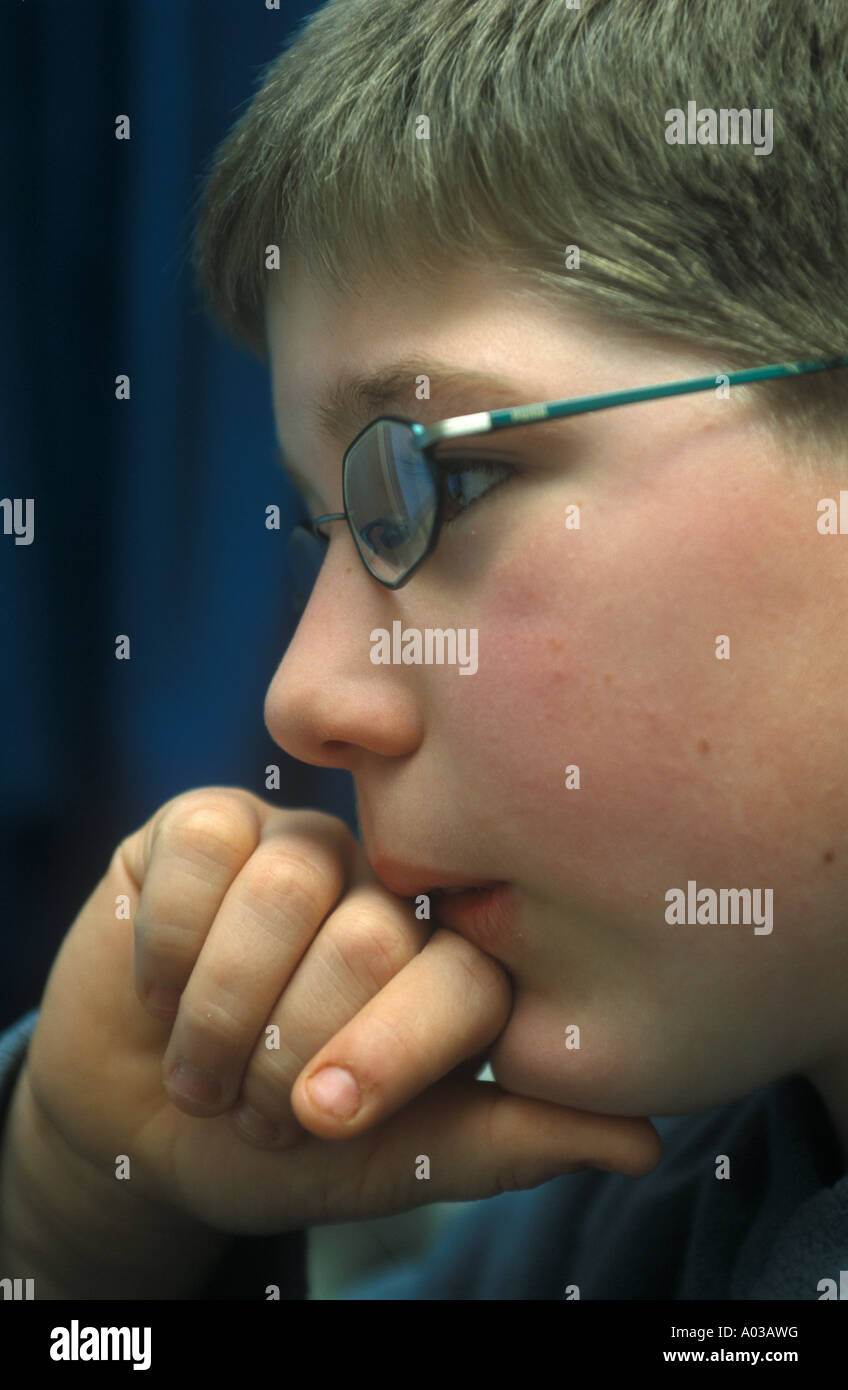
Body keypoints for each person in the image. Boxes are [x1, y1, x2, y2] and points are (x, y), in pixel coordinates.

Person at [1, 0, 847, 1301]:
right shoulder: (664, 1200)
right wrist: (72, 1214)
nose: (303, 697)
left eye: (433, 488)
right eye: (319, 537)